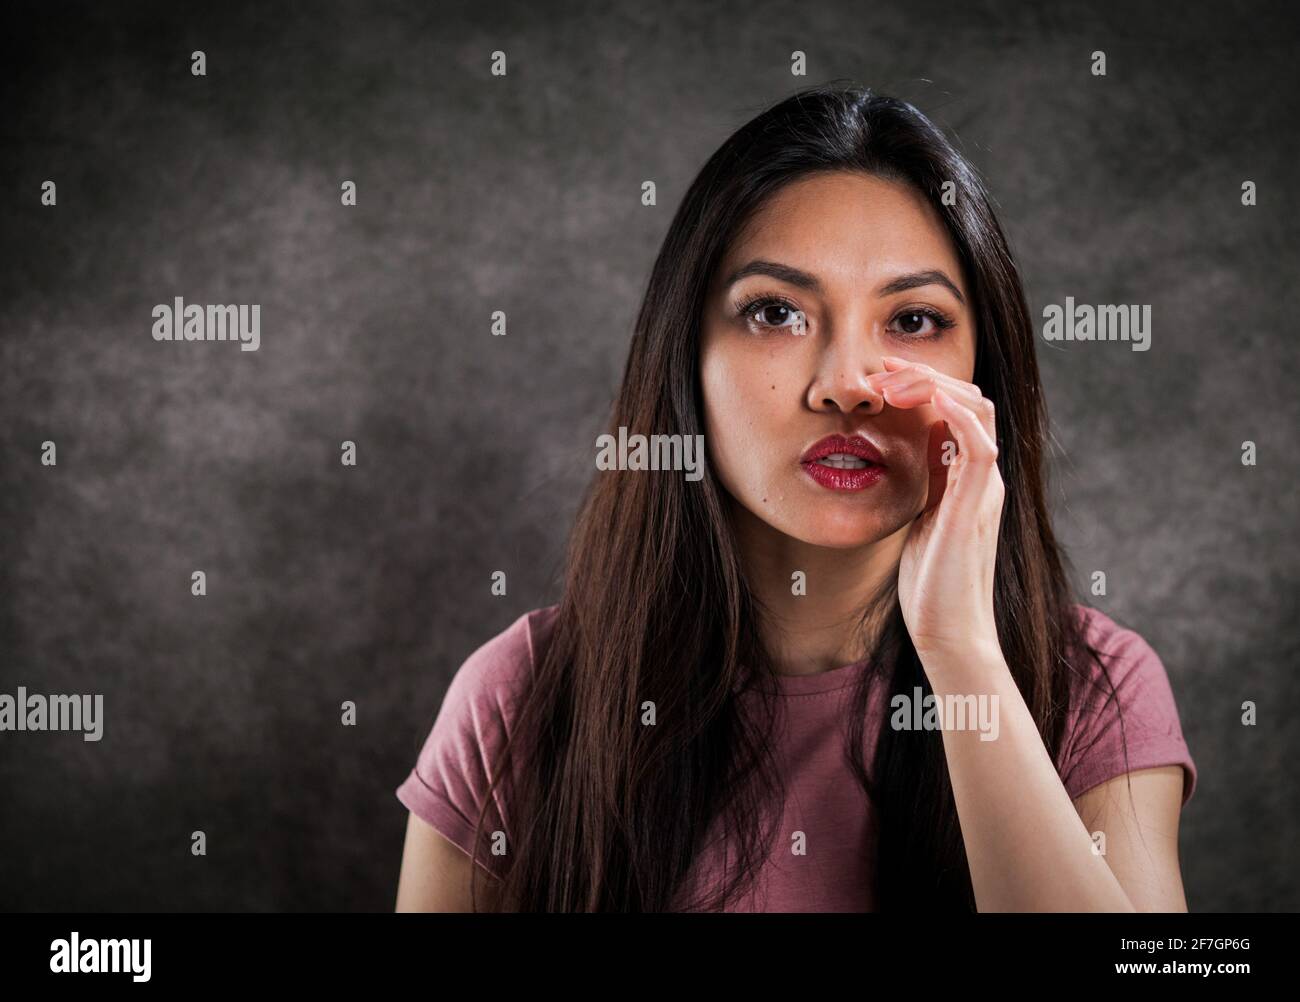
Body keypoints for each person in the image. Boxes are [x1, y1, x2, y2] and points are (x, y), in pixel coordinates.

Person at [394, 82, 1197, 912]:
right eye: (776, 312)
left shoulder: (1093, 689)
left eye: (914, 321)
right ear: (686, 362)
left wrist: (960, 651)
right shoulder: (520, 698)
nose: (847, 386)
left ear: (981, 375)